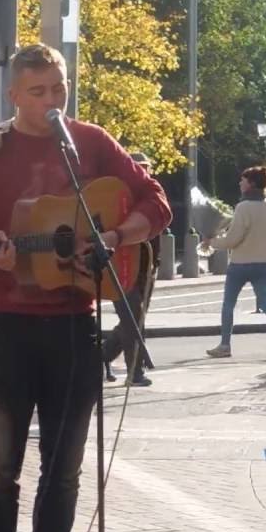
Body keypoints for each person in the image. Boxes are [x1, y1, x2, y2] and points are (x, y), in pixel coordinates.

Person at [0, 43, 171, 532]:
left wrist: (117, 233)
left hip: (73, 325)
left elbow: (157, 203)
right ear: (14, 94)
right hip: (6, 329)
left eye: (58, 89)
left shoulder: (89, 143)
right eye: (37, 92)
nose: (50, 102)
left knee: (64, 473)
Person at [205, 166, 266, 361]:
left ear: (251, 184)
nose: (239, 183)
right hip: (264, 264)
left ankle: (225, 345)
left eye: (243, 180)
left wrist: (212, 242)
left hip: (241, 263)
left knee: (229, 304)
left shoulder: (243, 207)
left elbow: (232, 240)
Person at [103, 151, 158, 387]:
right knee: (132, 317)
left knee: (134, 318)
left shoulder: (152, 197)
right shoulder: (118, 198)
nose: (142, 172)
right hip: (122, 267)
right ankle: (134, 372)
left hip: (146, 268)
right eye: (138, 167)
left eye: (145, 167)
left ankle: (101, 357)